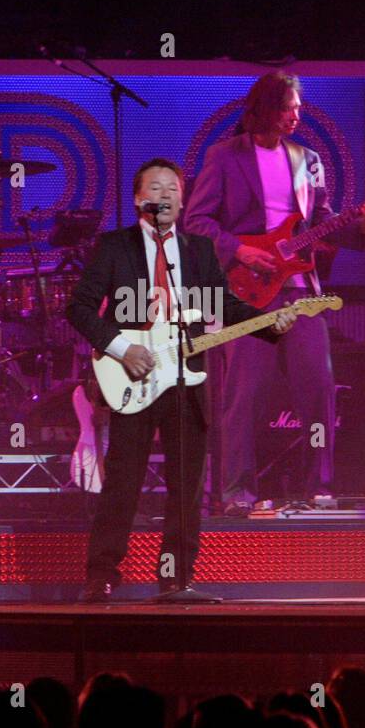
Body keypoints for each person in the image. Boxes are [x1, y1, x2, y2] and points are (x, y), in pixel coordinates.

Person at [65, 158, 296, 602]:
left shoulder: (198, 252)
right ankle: (101, 575)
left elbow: (224, 306)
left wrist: (270, 323)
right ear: (138, 200)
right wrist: (120, 348)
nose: (166, 195)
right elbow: (78, 307)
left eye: (173, 188)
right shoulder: (115, 247)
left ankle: (176, 579)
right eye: (156, 187)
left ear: (183, 200)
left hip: (187, 381)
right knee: (124, 482)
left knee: (187, 485)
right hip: (132, 376)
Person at [184, 72, 365, 514]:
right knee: (244, 394)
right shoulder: (224, 157)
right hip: (245, 292)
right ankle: (236, 491)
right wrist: (242, 252)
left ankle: (319, 487)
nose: (296, 115)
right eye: (289, 107)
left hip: (301, 291)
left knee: (319, 386)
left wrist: (363, 225)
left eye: (298, 107)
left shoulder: (308, 159)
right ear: (267, 108)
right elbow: (196, 223)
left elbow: (323, 222)